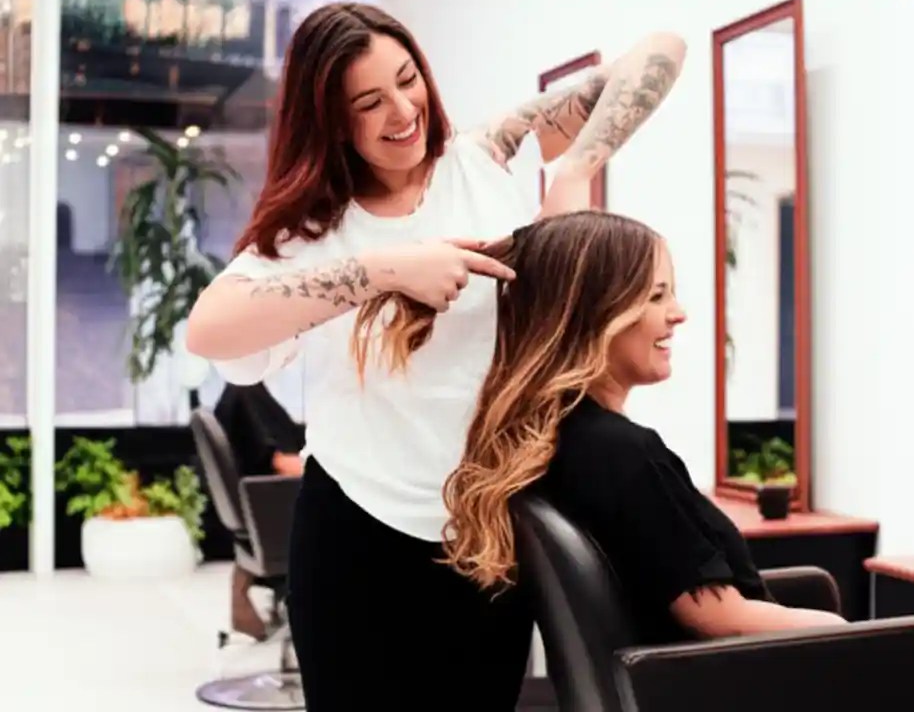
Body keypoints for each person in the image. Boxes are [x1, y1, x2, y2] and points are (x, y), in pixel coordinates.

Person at [184, 1, 687, 709]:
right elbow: (207, 329)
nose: (402, 111)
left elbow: (661, 48)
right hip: (356, 538)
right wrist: (386, 270)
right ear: (331, 120)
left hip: (487, 536)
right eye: (369, 102)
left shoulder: (484, 157)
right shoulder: (310, 234)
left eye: (407, 78)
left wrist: (576, 169)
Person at [355, 210, 847, 645]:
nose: (678, 314)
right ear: (596, 315)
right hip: (728, 683)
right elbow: (722, 620)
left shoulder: (559, 439)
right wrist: (852, 636)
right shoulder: (622, 453)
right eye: (656, 296)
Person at [211, 382, 303, 641]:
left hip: (263, 519)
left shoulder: (245, 393)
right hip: (277, 517)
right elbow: (283, 463)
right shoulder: (245, 397)